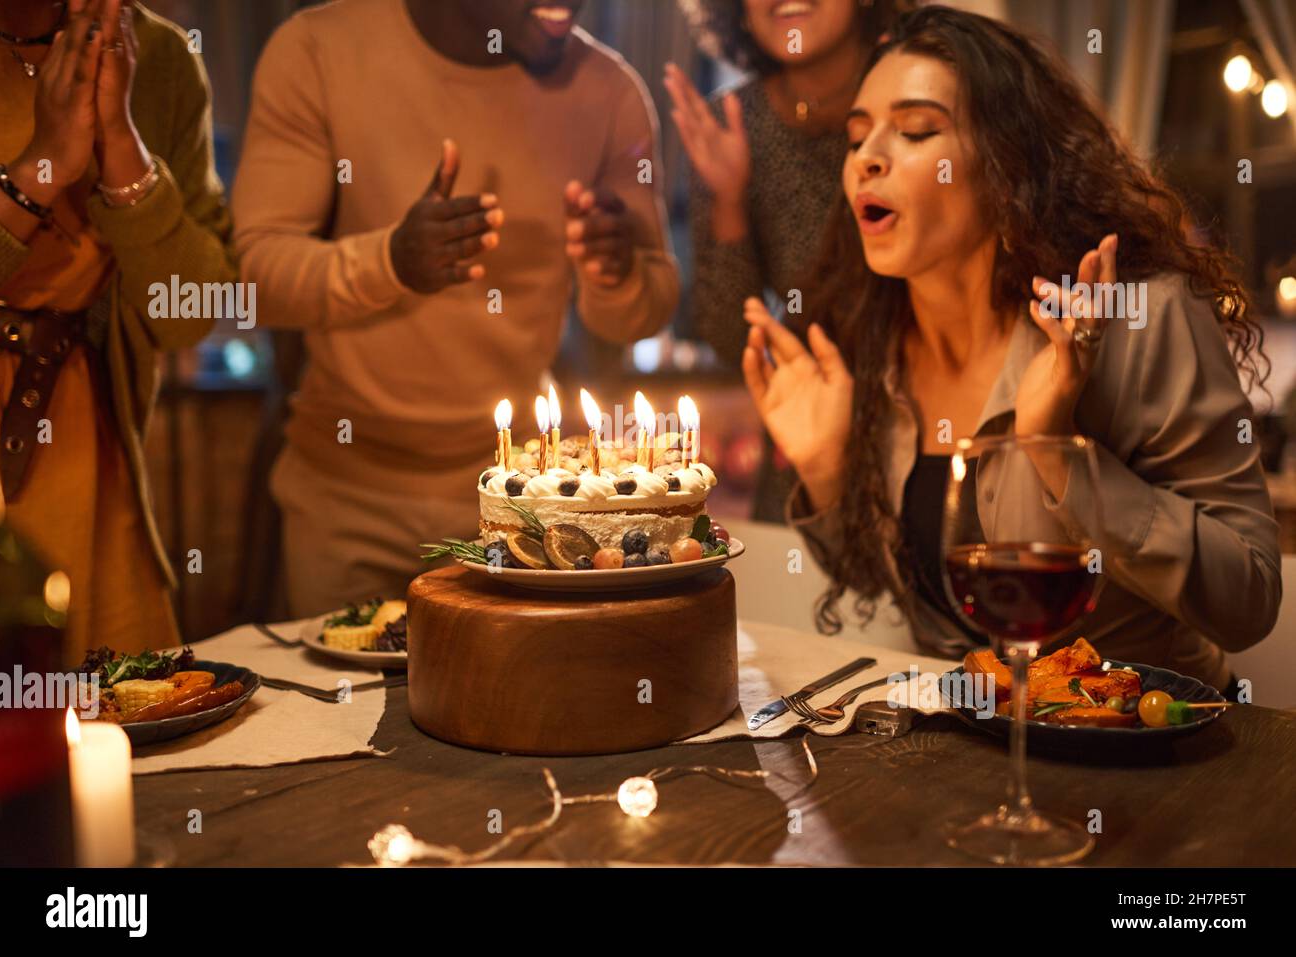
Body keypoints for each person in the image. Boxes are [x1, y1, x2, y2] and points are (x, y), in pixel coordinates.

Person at [741, 5, 1281, 692]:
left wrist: (1056, 450)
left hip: (1138, 750)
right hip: (971, 748)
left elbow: (1251, 596)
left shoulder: (1138, 316)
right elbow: (903, 594)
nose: (867, 158)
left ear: (1005, 162)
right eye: (856, 137)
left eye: (913, 130)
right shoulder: (875, 342)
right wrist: (825, 469)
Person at [233, 0, 679, 617]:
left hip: (514, 503)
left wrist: (616, 275)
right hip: (343, 496)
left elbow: (641, 313)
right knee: (336, 711)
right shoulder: (317, 49)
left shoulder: (610, 91)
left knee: (508, 706)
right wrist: (392, 261)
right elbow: (257, 276)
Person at [0, 0, 234, 662]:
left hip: (90, 455)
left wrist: (122, 151)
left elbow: (191, 312)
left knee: (128, 722)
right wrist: (44, 164)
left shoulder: (154, 56)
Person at [668, 0, 902, 521]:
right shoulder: (730, 125)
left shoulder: (921, 97)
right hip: (805, 449)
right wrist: (730, 200)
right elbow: (731, 340)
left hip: (928, 429)